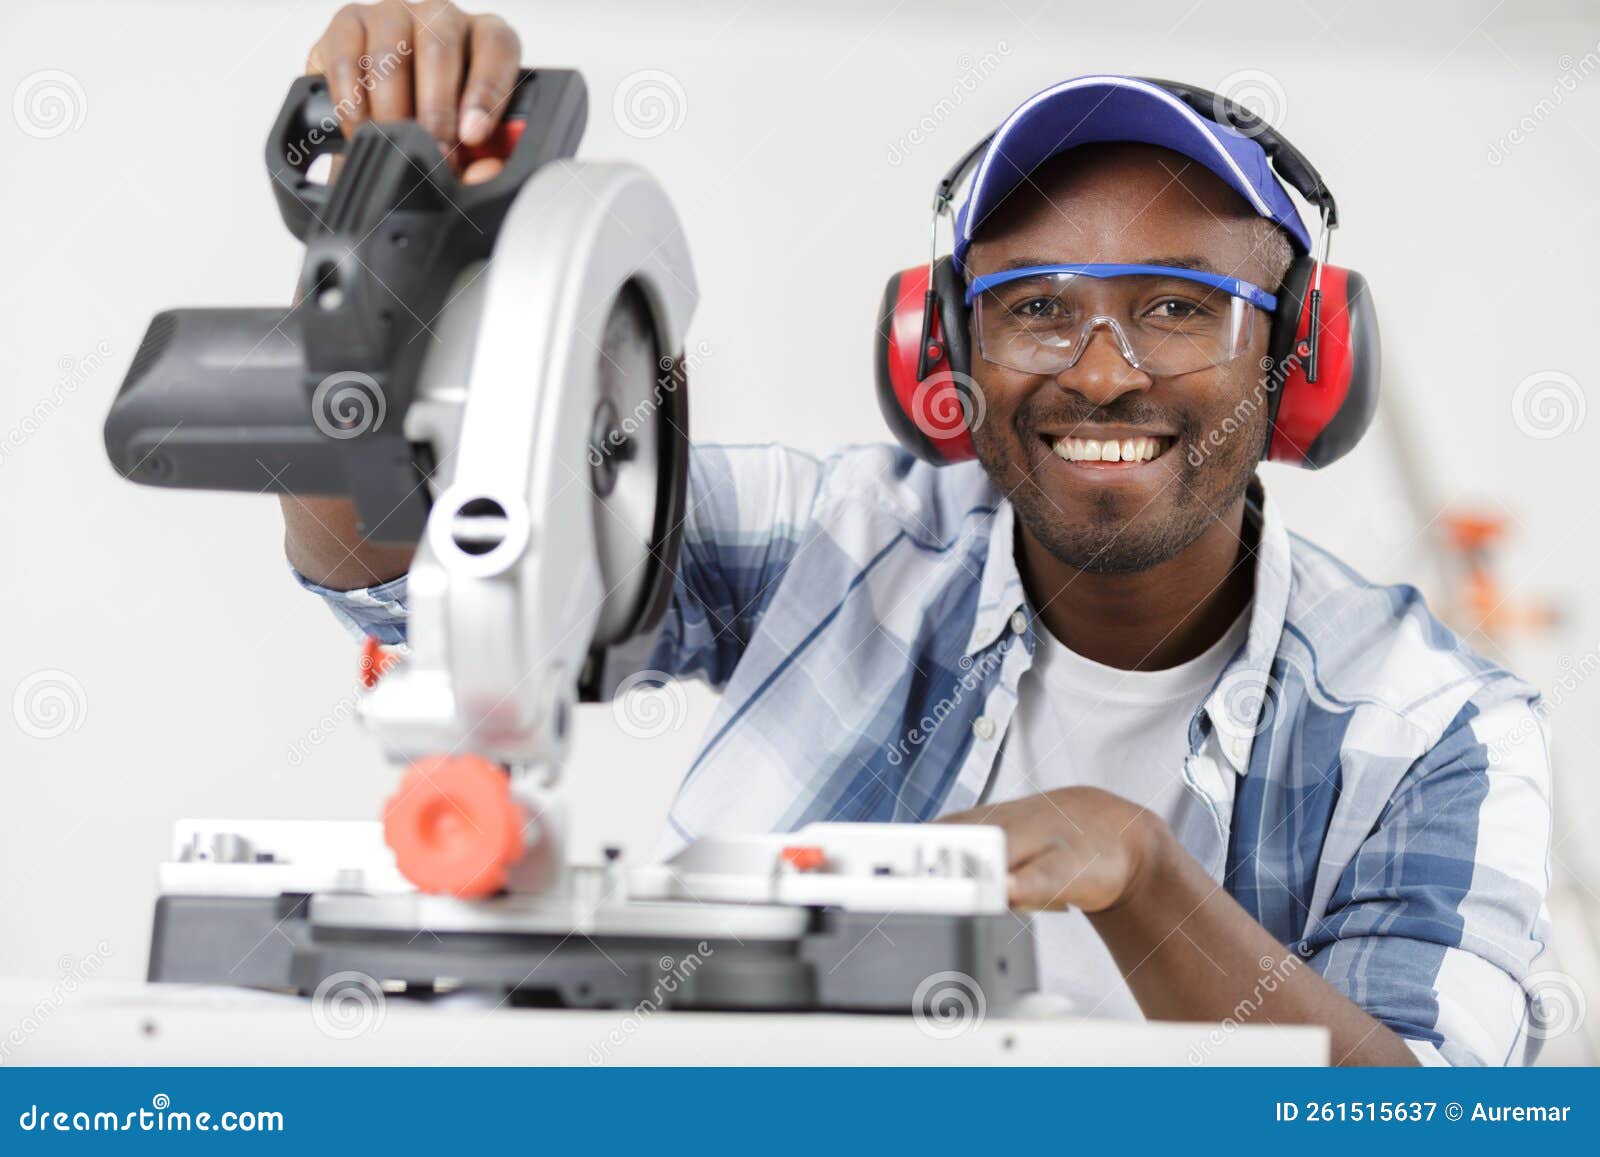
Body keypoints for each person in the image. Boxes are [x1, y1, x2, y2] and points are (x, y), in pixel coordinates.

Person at [283, 1, 1553, 1066]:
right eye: (1035, 307)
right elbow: (398, 567)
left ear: (1301, 359)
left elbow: (1419, 1123)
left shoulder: (1435, 726)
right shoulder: (831, 543)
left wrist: (1139, 871)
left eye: (1178, 305)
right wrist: (376, 262)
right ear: (940, 358)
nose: (1102, 373)